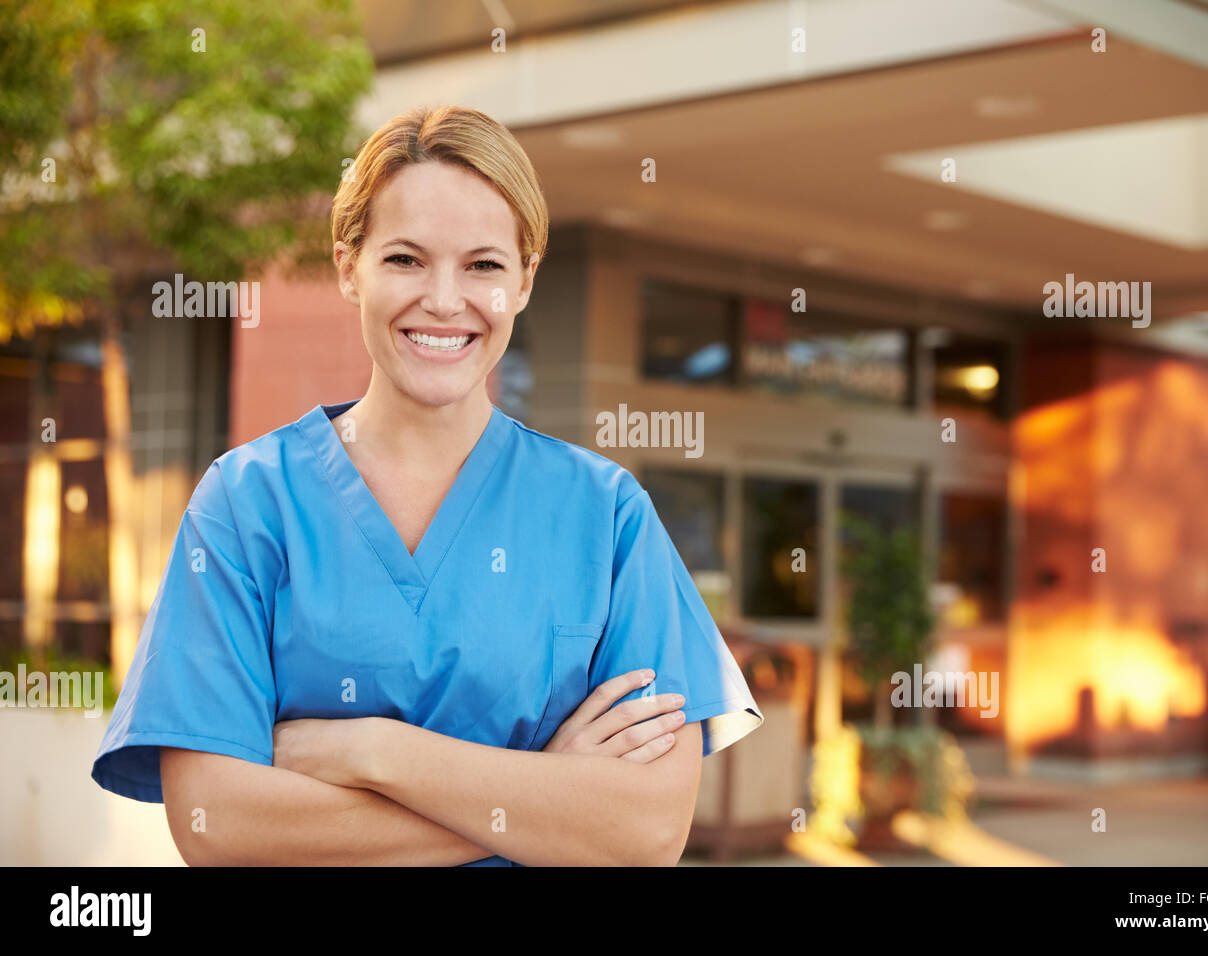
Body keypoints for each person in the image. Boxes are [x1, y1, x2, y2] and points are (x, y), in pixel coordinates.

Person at [91, 104, 763, 866]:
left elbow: (645, 831)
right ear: (349, 267)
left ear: (525, 280)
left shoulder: (606, 517)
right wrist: (547, 795)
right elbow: (216, 823)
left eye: (483, 265)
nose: (445, 301)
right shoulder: (247, 505)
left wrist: (375, 752)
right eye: (405, 259)